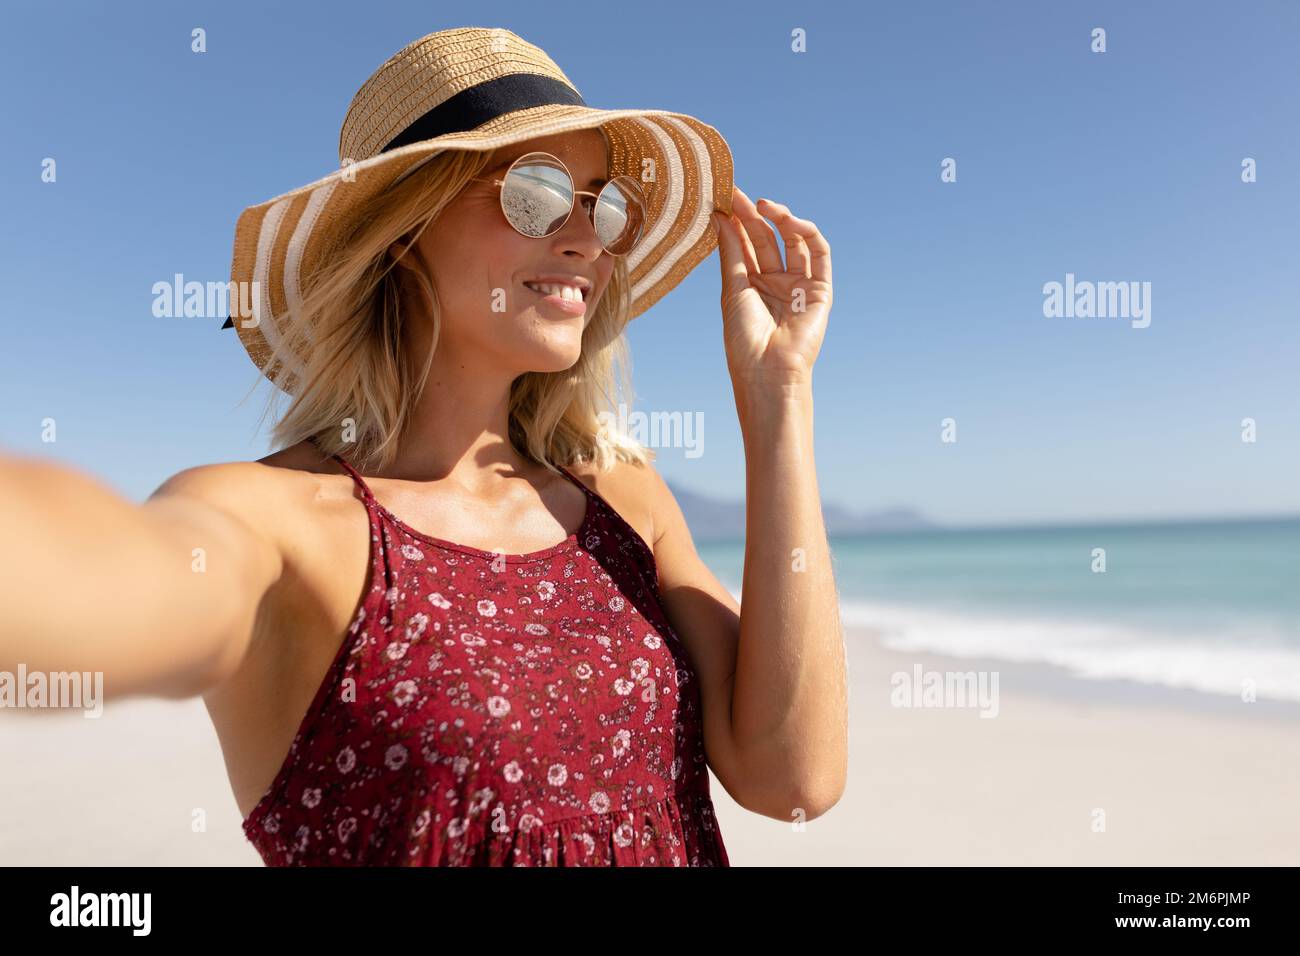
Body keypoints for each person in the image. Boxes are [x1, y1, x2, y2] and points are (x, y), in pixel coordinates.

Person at [0, 27, 845, 866]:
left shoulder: (626, 501)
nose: (587, 239)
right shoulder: (284, 528)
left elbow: (794, 780)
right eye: (536, 192)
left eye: (605, 203)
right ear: (404, 230)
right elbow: (104, 579)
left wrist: (779, 403)